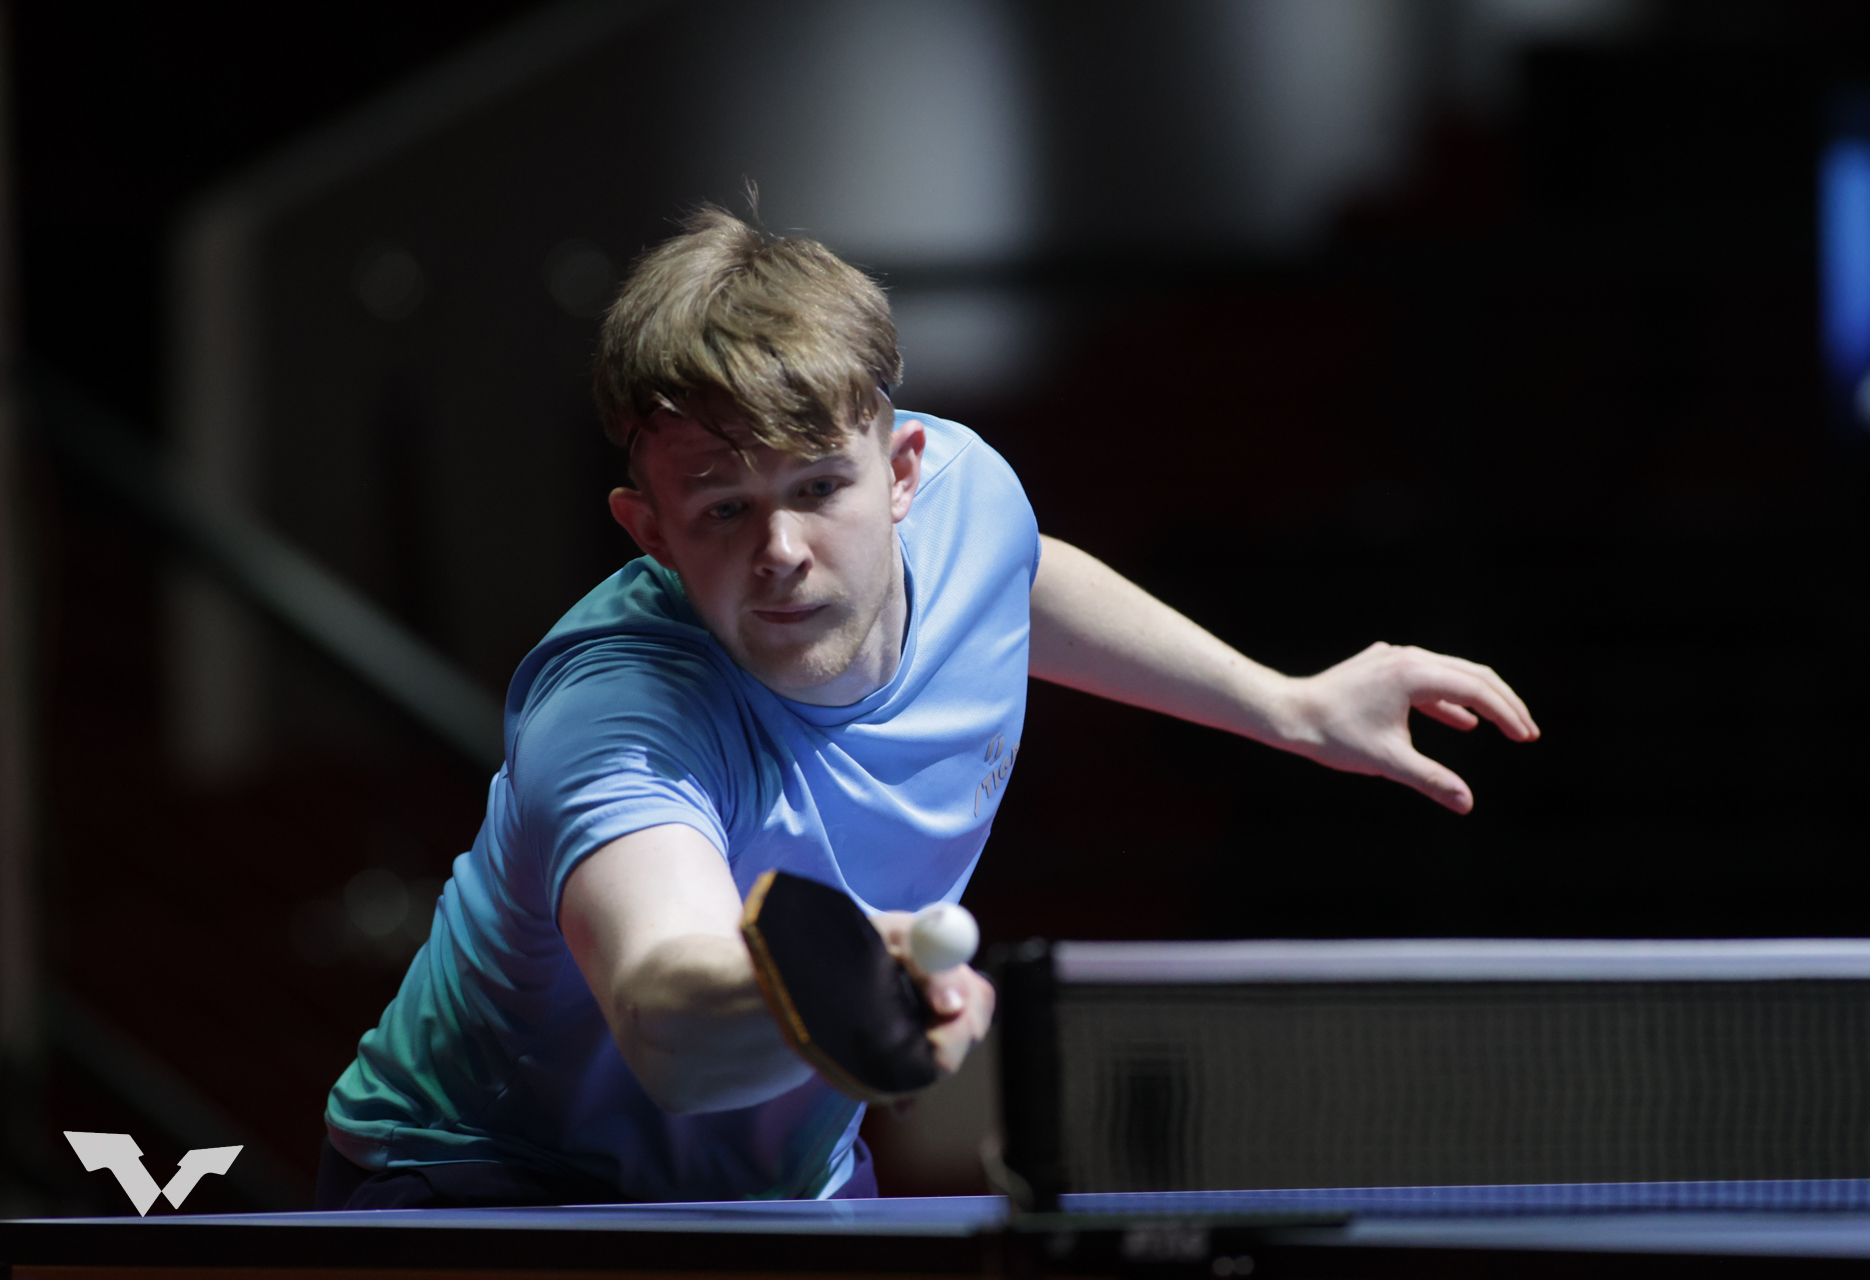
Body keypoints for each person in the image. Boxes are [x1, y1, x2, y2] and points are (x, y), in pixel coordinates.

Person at [317, 206, 1540, 1209]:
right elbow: (664, 1002)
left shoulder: (967, 496)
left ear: (903, 472)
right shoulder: (619, 710)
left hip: (782, 1175)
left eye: (818, 487)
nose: (783, 550)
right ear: (649, 529)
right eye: (723, 507)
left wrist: (1285, 703)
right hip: (483, 1175)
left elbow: (1017, 570)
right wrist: (836, 984)